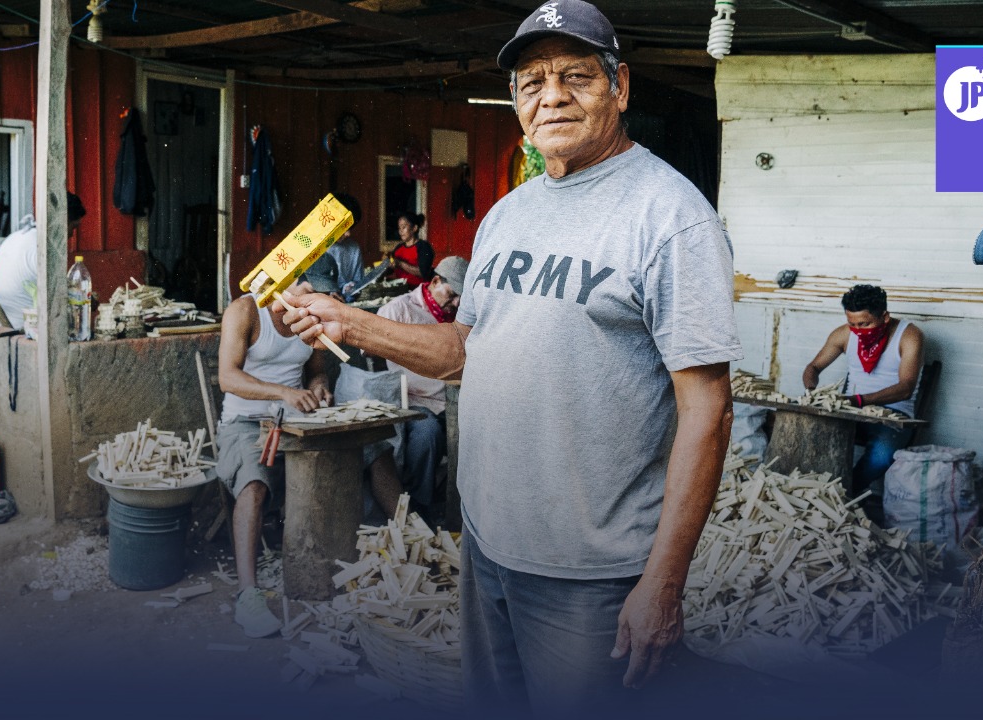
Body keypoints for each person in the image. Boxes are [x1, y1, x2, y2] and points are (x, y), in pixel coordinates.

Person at [279, 0, 741, 709]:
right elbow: (468, 351)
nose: (551, 95)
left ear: (620, 88)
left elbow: (706, 406)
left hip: (592, 572)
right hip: (488, 546)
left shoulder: (671, 217)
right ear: (516, 103)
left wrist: (664, 582)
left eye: (576, 76)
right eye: (531, 81)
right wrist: (347, 320)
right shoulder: (509, 213)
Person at [217, 284, 332, 638]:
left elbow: (317, 371)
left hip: (296, 421)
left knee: (370, 451)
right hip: (245, 422)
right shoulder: (245, 311)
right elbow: (227, 378)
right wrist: (283, 391)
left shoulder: (307, 317)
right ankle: (248, 593)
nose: (307, 290)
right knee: (254, 484)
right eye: (300, 282)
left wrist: (318, 387)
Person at [803, 284, 924, 495]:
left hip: (893, 414)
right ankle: (812, 492)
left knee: (881, 457)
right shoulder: (843, 334)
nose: (858, 331)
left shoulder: (909, 335)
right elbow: (813, 367)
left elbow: (906, 388)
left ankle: (845, 495)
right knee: (811, 435)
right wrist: (813, 391)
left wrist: (860, 400)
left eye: (865, 324)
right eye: (852, 324)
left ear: (885, 317)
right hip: (851, 409)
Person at [375, 255, 468, 515]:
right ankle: (418, 507)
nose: (457, 303)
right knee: (427, 434)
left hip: (453, 400)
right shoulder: (398, 309)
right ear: (435, 281)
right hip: (413, 401)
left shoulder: (459, 319)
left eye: (462, 297)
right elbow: (373, 354)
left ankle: (460, 508)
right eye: (452, 294)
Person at [0, 193, 86, 329]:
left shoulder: (17, 236)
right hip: (23, 331)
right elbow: (60, 301)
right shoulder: (44, 247)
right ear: (62, 221)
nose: (71, 234)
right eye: (73, 227)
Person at [302, 194, 366, 300]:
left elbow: (357, 282)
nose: (348, 234)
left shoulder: (353, 248)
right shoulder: (311, 247)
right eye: (344, 226)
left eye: (351, 227)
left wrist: (350, 288)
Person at [389, 211, 434, 287]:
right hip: (399, 288)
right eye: (399, 228)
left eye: (404, 227)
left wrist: (400, 264)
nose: (400, 231)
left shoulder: (423, 247)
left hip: (417, 289)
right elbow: (392, 268)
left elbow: (423, 272)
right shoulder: (398, 248)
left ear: (414, 228)